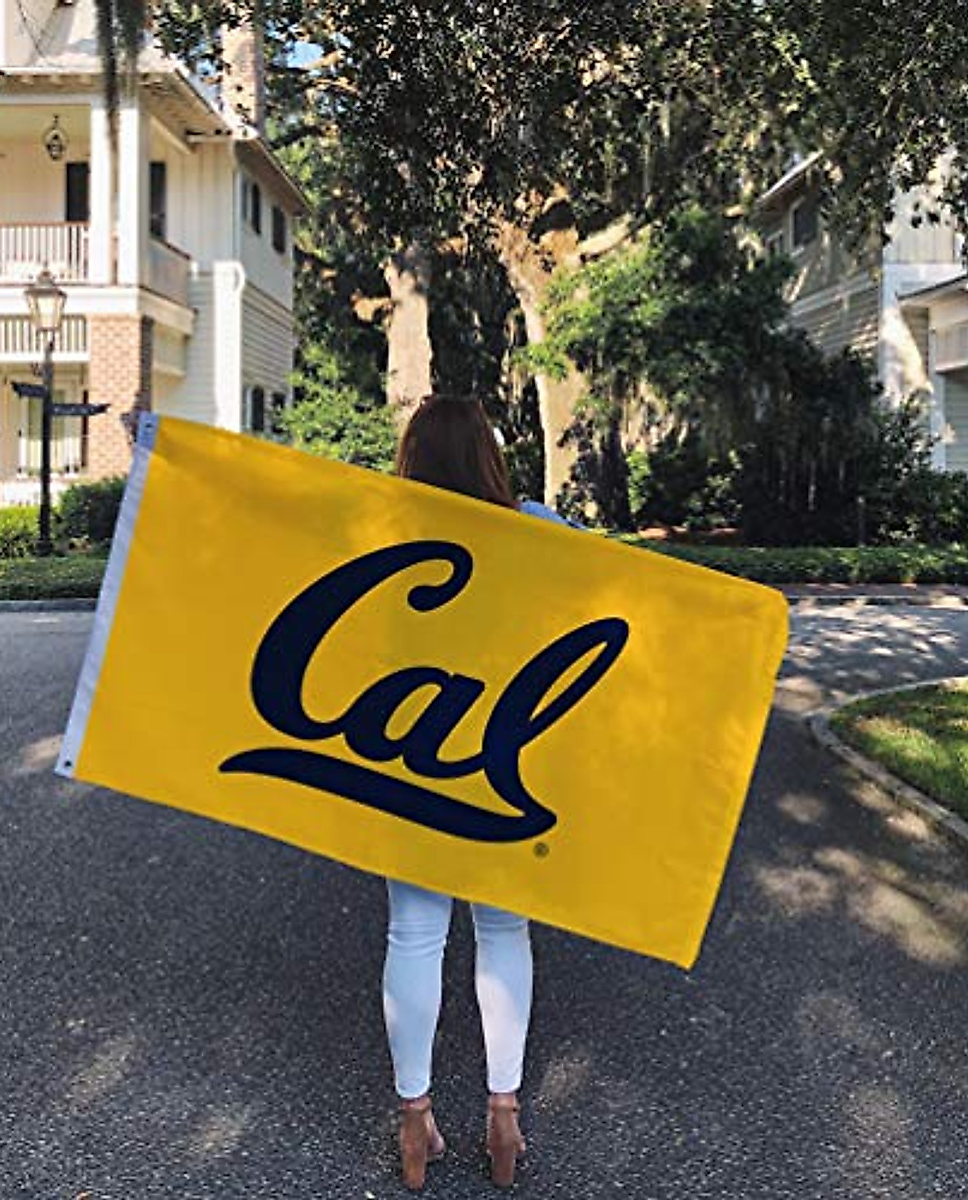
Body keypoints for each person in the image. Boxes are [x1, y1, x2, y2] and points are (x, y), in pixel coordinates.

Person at [384, 394, 571, 1191]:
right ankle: (503, 1115)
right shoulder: (536, 529)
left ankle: (414, 1119)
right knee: (504, 932)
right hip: (506, 766)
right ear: (490, 458)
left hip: (409, 758)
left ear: (412, 460)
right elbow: (620, 593)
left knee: (413, 935)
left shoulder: (387, 535)